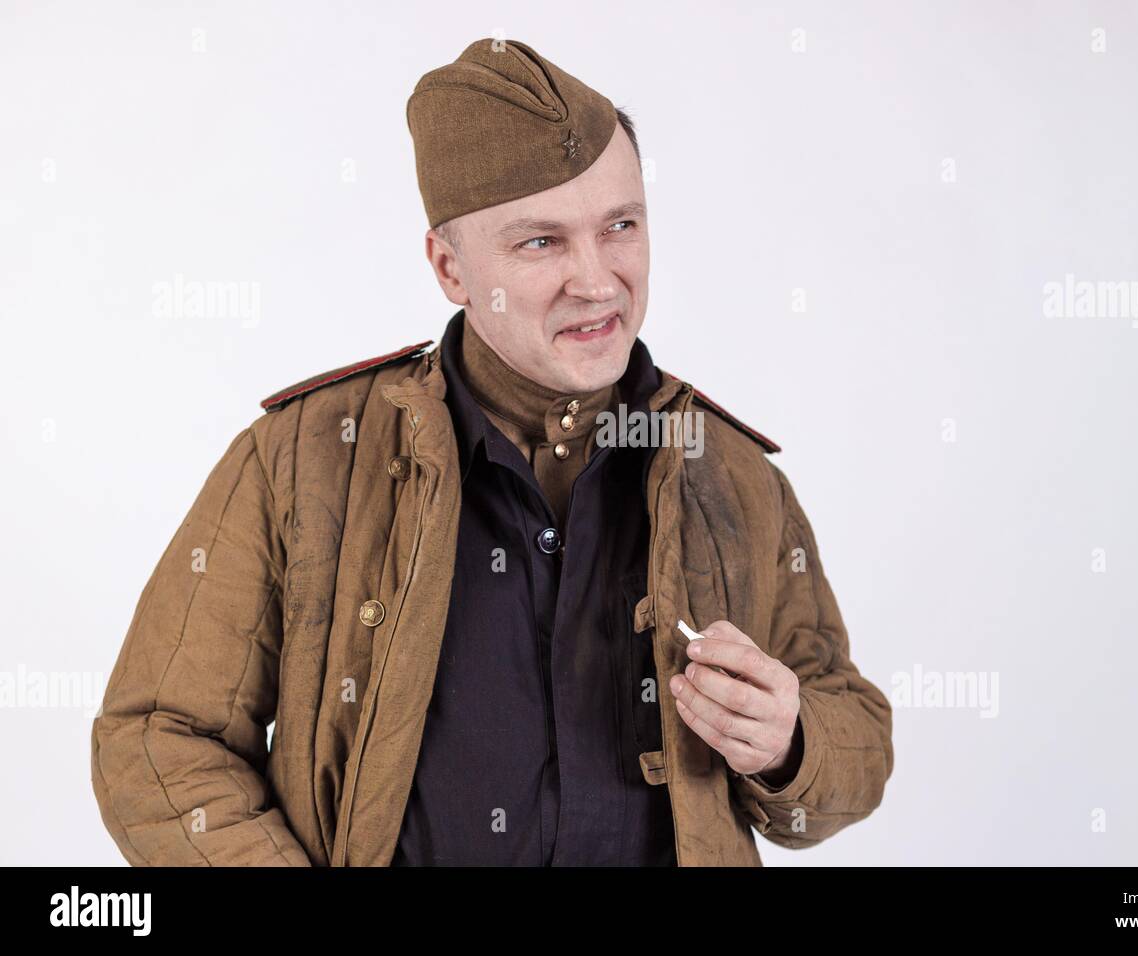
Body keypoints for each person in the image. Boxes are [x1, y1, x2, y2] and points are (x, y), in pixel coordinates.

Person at [90, 37, 893, 866]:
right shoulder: (302, 456)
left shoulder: (728, 470)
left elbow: (850, 745)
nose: (597, 281)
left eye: (620, 225)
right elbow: (157, 737)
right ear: (450, 267)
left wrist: (790, 742)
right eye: (541, 243)